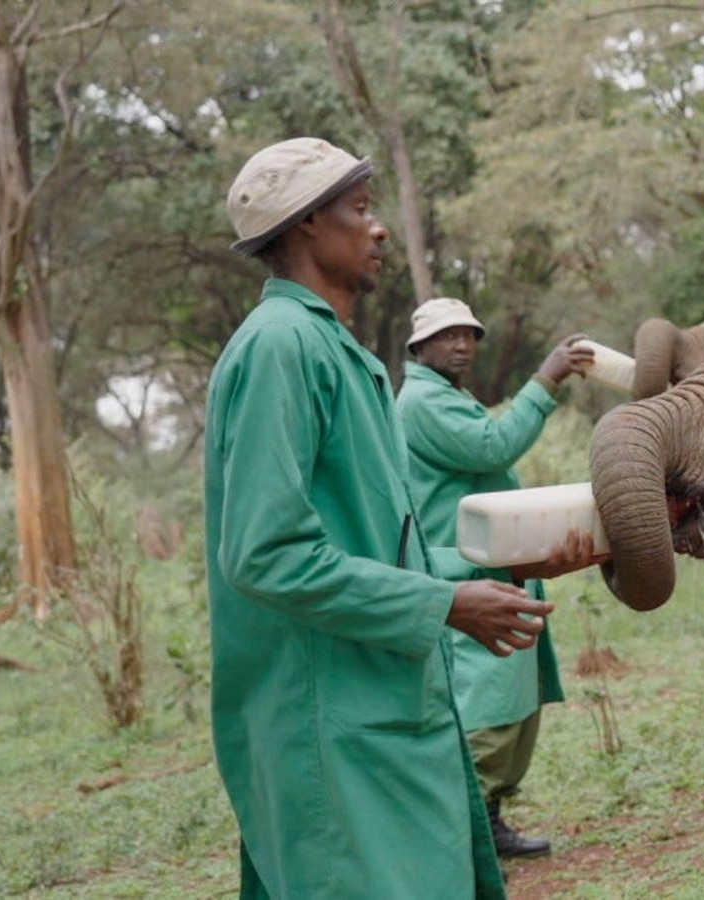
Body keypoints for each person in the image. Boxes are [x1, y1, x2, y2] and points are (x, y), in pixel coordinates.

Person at [206, 137, 594, 899]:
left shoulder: (333, 349)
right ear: (306, 226)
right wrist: (445, 602)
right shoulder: (283, 348)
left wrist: (506, 564)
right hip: (326, 718)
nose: (376, 228)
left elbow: (380, 537)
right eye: (358, 209)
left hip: (376, 705)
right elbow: (265, 554)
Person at [396, 297, 594, 859]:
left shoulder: (446, 395)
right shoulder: (422, 402)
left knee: (516, 704)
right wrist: (546, 379)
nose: (462, 345)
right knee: (488, 709)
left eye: (469, 335)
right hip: (466, 570)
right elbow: (495, 445)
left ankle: (488, 825)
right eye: (447, 336)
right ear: (419, 348)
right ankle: (462, 846)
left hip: (493, 560)